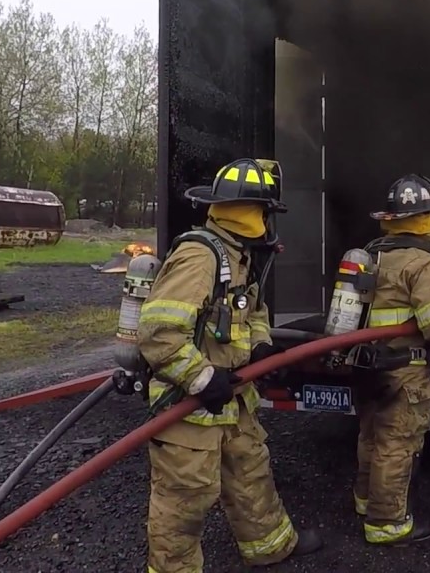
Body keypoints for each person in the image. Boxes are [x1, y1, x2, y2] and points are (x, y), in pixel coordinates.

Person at [137, 157, 323, 571]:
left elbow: (252, 311)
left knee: (250, 474)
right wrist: (202, 378)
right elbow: (158, 333)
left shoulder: (237, 256)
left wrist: (260, 348)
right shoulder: (200, 256)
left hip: (232, 400)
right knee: (184, 504)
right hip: (189, 409)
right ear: (256, 213)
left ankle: (270, 547)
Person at [347, 173, 430, 545]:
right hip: (404, 371)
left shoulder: (371, 254)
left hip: (367, 365)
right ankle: (386, 523)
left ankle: (365, 499)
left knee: (370, 435)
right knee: (398, 443)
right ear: (429, 218)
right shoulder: (422, 263)